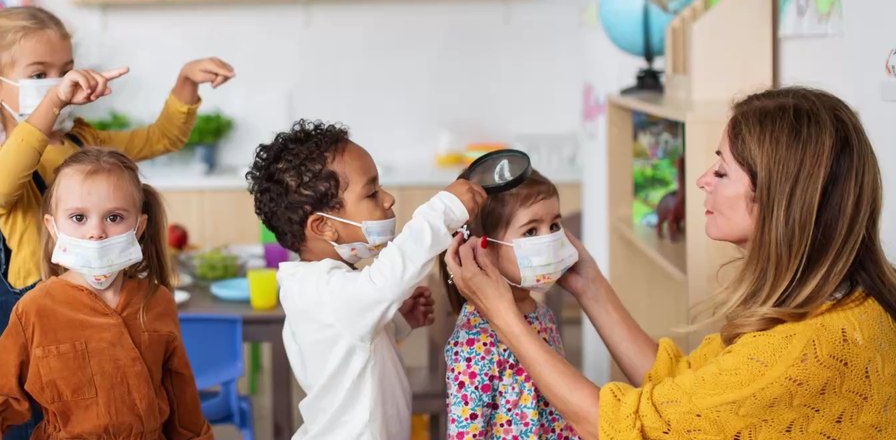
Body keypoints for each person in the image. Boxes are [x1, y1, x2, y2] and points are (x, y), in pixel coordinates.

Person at [446, 86, 896, 438]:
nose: (701, 180)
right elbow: (682, 390)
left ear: (782, 199)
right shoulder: (829, 308)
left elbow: (619, 425)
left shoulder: (807, 348)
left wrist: (504, 316)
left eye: (722, 171)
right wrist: (590, 286)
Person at [0, 7, 234, 334]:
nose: (58, 85)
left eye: (65, 72)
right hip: (39, 324)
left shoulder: (84, 141)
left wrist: (186, 82)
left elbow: (161, 137)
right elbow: (5, 183)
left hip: (101, 308)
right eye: (40, 76)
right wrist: (53, 102)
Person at [0, 148, 212, 440]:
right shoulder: (35, 309)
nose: (95, 232)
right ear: (53, 227)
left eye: (114, 218)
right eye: (78, 217)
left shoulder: (156, 301)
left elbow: (182, 400)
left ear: (138, 227)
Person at [246, 120, 485, 439]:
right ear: (324, 227)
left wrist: (394, 322)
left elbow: (348, 350)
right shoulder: (323, 291)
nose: (388, 199)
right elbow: (388, 279)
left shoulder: (318, 285)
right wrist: (443, 210)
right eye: (372, 193)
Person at [438, 169, 580, 439]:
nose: (548, 241)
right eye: (530, 231)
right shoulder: (474, 341)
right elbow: (465, 433)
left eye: (553, 226)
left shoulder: (542, 314)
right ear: (483, 247)